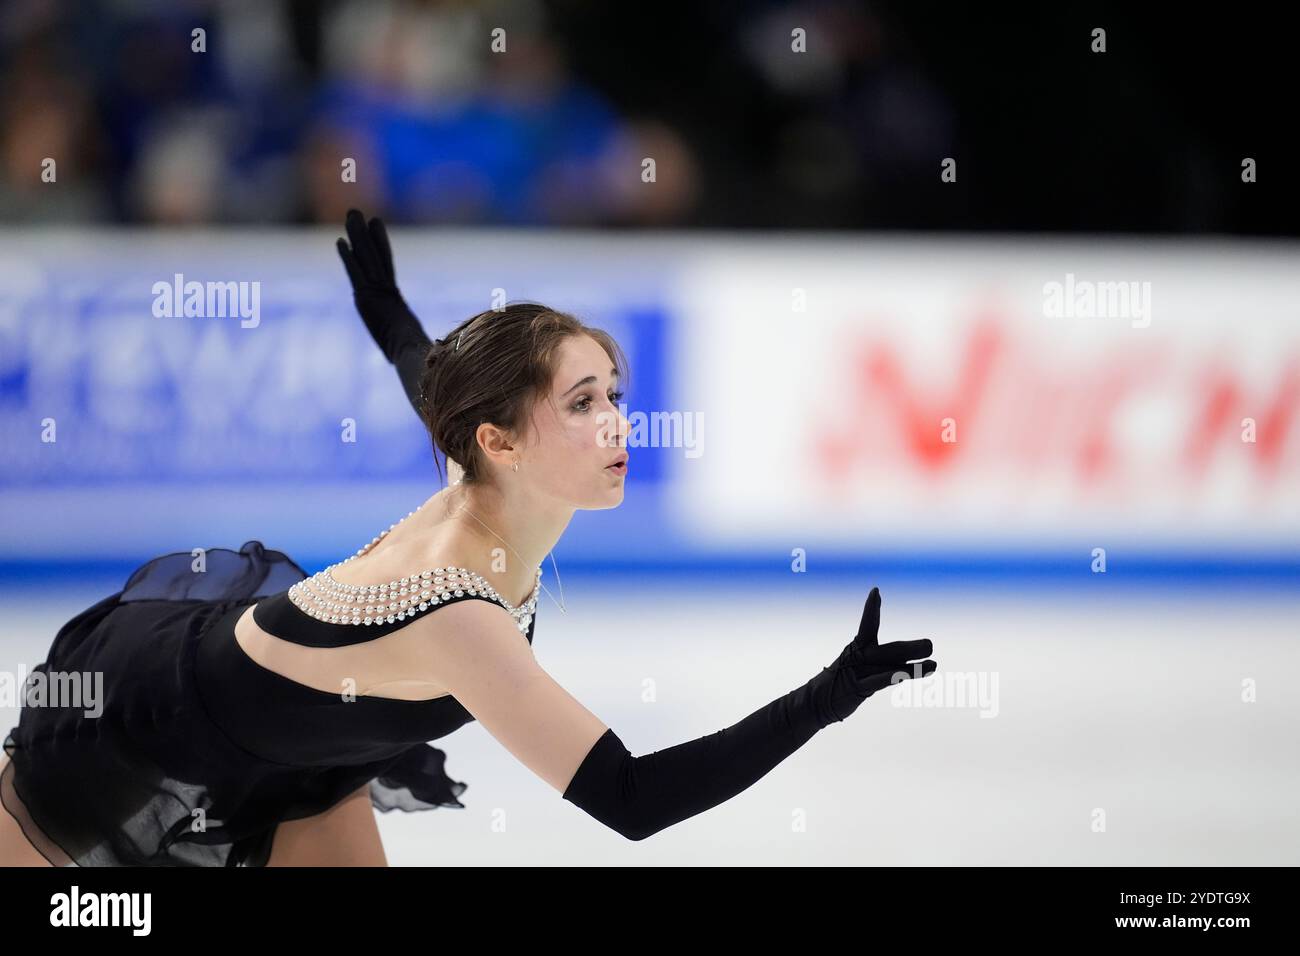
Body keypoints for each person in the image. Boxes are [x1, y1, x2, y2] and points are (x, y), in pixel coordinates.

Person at [0, 210, 937, 867]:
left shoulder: (474, 465)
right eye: (581, 403)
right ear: (501, 442)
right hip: (143, 718)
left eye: (614, 393)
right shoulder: (457, 612)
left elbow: (430, 382)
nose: (617, 423)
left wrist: (388, 312)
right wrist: (827, 697)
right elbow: (635, 800)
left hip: (312, 756)